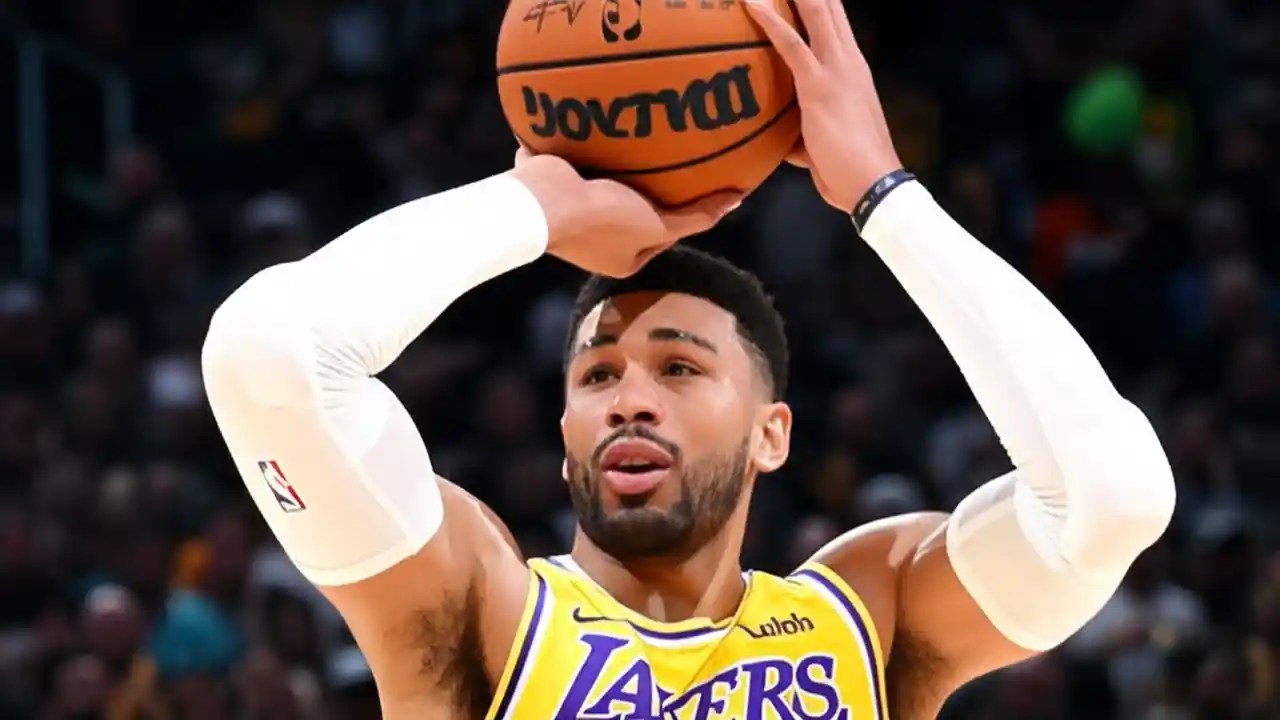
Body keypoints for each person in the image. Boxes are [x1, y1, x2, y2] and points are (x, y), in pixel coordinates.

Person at [200, 0, 1176, 717]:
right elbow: (266, 354)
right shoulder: (477, 612)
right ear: (565, 435)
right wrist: (539, 207)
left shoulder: (872, 622)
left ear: (771, 432)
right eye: (596, 374)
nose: (629, 398)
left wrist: (885, 199)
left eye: (677, 367)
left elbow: (1109, 498)